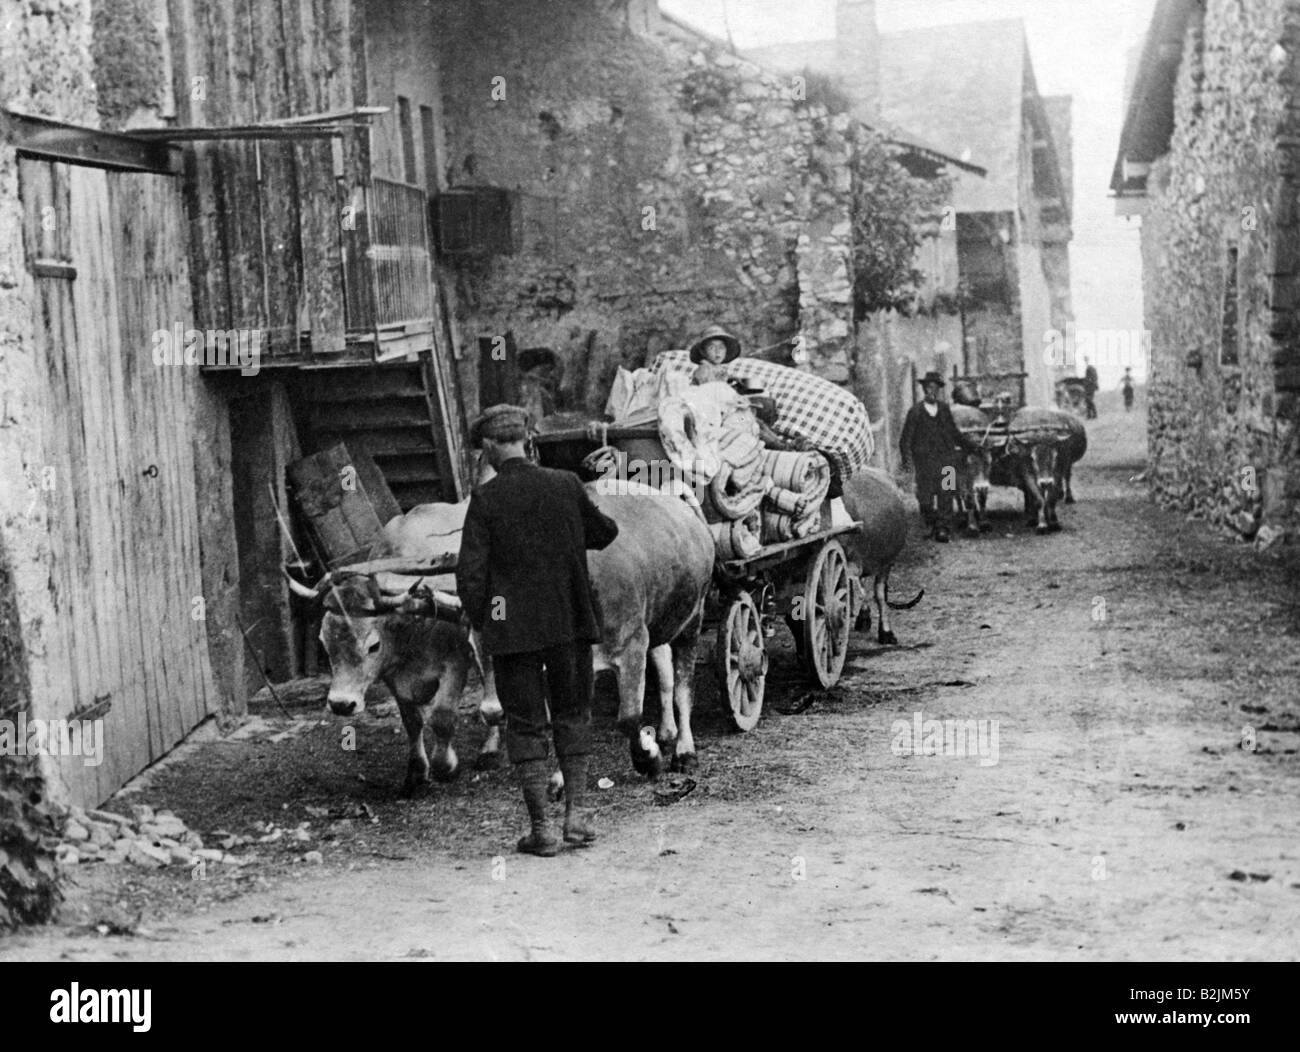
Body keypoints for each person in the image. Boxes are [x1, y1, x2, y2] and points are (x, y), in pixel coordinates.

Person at [456, 404, 619, 857]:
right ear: (527, 440)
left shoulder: (486, 500)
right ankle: (578, 818)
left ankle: (543, 831)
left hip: (514, 634)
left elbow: (470, 576)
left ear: (489, 448)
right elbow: (605, 533)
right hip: (568, 623)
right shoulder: (565, 485)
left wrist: (491, 620)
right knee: (573, 712)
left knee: (525, 723)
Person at [899, 372, 975, 543]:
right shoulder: (916, 412)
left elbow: (954, 433)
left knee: (946, 494)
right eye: (928, 387)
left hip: (947, 461)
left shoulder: (944, 409)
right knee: (925, 499)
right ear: (924, 390)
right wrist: (907, 462)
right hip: (925, 463)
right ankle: (933, 522)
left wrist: (971, 447)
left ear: (939, 390)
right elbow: (905, 440)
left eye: (934, 388)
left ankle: (943, 528)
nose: (931, 391)